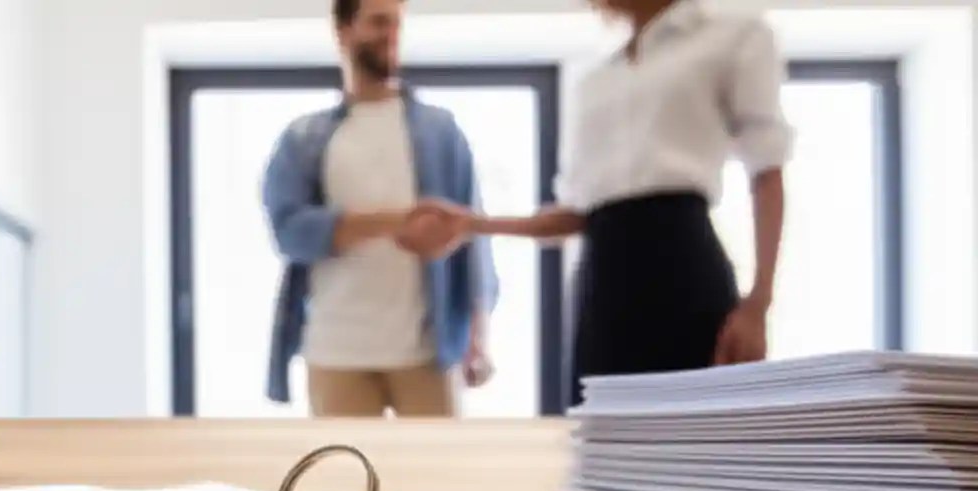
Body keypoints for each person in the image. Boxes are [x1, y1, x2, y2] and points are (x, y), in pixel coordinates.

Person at [402, 0, 793, 407]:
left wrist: (758, 303)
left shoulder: (733, 37)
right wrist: (472, 225)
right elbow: (576, 213)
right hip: (602, 288)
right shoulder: (597, 81)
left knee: (694, 435)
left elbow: (766, 172)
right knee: (602, 439)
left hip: (685, 271)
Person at [260, 0, 499, 418]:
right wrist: (402, 221)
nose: (391, 34)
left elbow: (470, 238)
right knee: (345, 481)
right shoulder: (304, 139)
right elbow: (291, 233)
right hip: (336, 352)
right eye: (378, 22)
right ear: (344, 29)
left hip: (426, 352)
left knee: (435, 479)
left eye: (397, 24)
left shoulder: (441, 132)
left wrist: (479, 337)